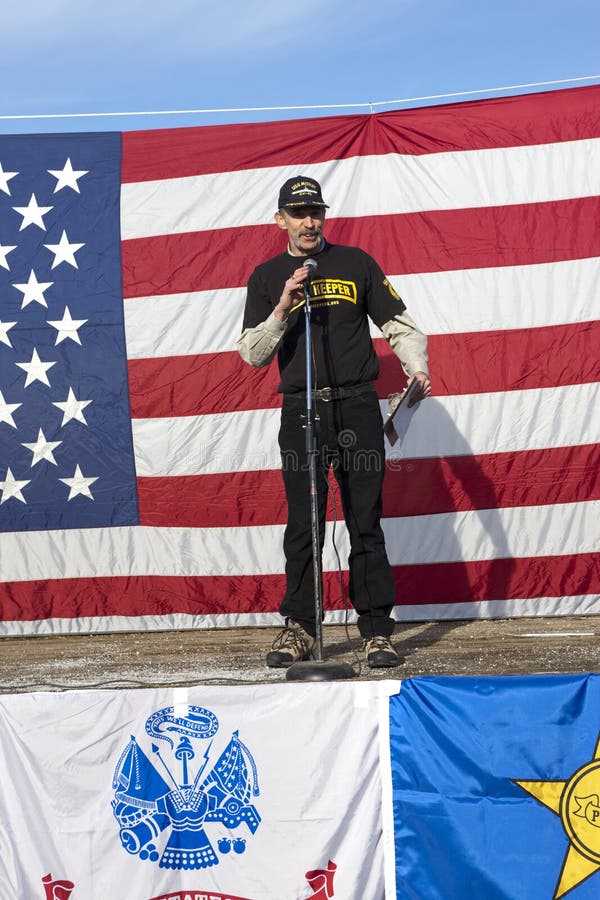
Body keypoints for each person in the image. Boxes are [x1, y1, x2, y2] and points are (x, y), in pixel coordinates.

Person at [236, 176, 431, 669]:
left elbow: (399, 325)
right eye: (298, 213)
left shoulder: (356, 263)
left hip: (357, 406)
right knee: (304, 522)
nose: (309, 222)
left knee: (365, 520)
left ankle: (376, 632)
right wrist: (283, 307)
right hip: (301, 410)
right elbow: (253, 354)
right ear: (280, 219)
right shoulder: (266, 277)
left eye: (315, 212)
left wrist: (416, 368)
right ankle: (301, 627)